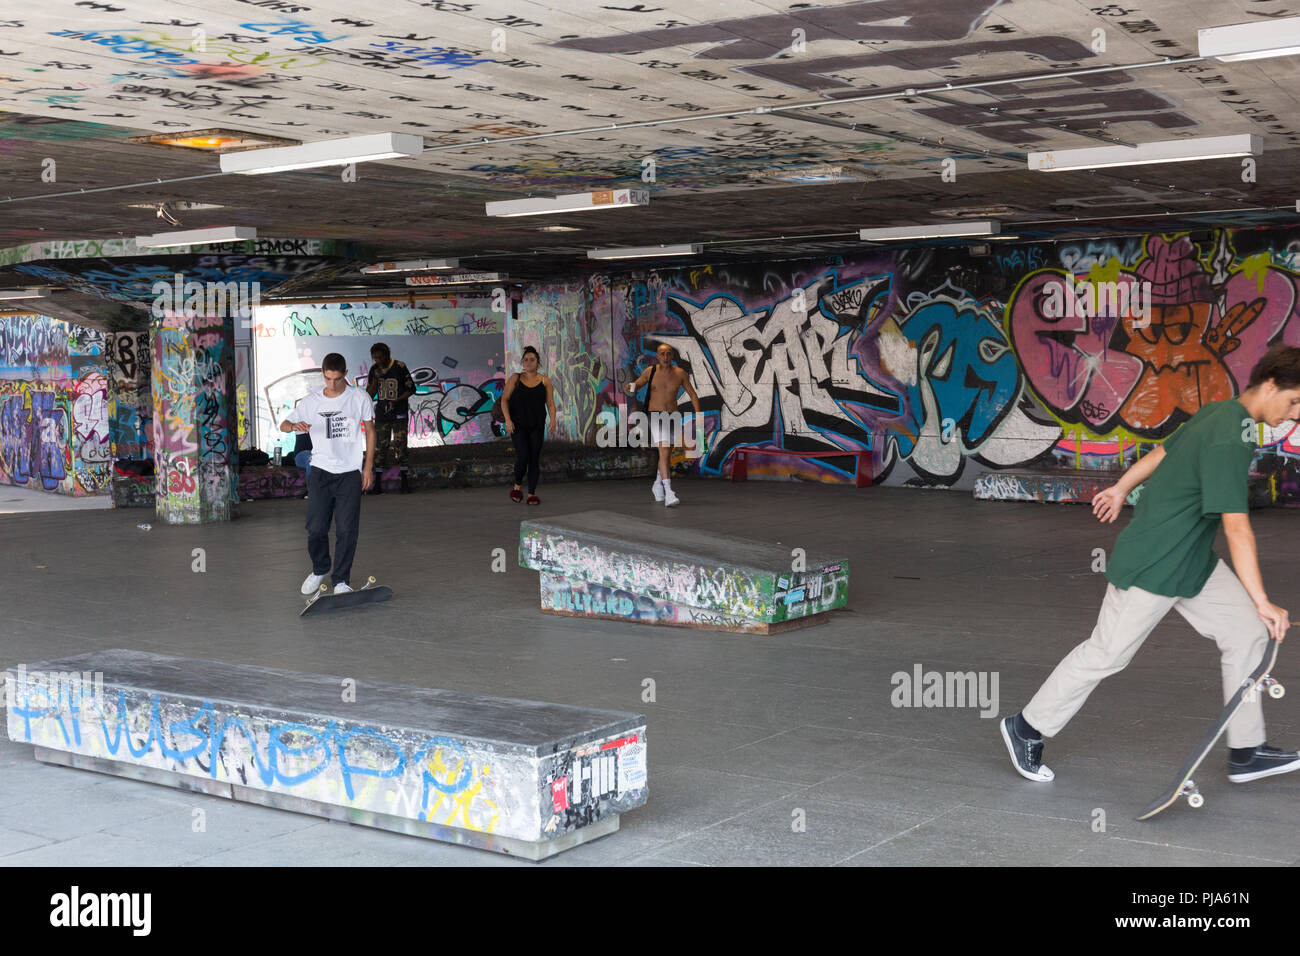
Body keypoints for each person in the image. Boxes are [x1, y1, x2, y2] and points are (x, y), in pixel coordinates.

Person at [1002, 344, 1300, 785]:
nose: (1294, 415)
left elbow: (1164, 452)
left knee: (1247, 633)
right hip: (1155, 560)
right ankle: (1026, 727)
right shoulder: (1229, 431)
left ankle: (1246, 750)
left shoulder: (1221, 414)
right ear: (1270, 384)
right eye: (1294, 402)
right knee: (1107, 653)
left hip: (1192, 562)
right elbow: (1237, 527)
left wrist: (1121, 487)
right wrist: (1264, 599)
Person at [281, 353, 375, 595]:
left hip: (349, 473)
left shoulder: (359, 398)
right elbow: (284, 424)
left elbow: (371, 432)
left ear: (345, 373)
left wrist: (367, 467)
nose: (331, 384)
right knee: (316, 527)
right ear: (323, 374)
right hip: (321, 471)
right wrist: (294, 426)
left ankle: (341, 581)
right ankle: (320, 568)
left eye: (336, 379)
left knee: (346, 530)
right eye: (327, 378)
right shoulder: (310, 402)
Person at [624, 342, 701, 507]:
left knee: (666, 454)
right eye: (662, 354)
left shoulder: (680, 374)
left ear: (672, 356)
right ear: (657, 356)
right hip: (655, 416)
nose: (665, 357)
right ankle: (669, 492)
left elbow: (693, 395)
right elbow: (637, 384)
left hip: (673, 416)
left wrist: (698, 414)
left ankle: (657, 483)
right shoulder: (650, 371)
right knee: (664, 451)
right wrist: (630, 387)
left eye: (668, 353)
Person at [502, 345, 556, 505]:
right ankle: (517, 487)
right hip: (517, 426)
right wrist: (507, 420)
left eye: (532, 359)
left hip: (537, 426)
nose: (528, 362)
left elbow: (551, 404)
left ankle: (532, 493)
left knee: (534, 459)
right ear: (522, 362)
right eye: (526, 360)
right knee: (523, 456)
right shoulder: (515, 378)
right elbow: (504, 399)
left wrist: (552, 420)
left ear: (537, 362)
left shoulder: (545, 381)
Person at [365, 343, 416, 494]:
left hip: (399, 413)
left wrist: (397, 400)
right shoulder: (374, 370)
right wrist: (375, 379)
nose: (378, 360)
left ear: (387, 355)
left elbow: (411, 389)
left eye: (380, 357)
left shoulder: (400, 366)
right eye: (375, 358)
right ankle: (378, 484)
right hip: (382, 414)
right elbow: (369, 394)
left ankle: (405, 482)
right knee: (380, 447)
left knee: (400, 445)